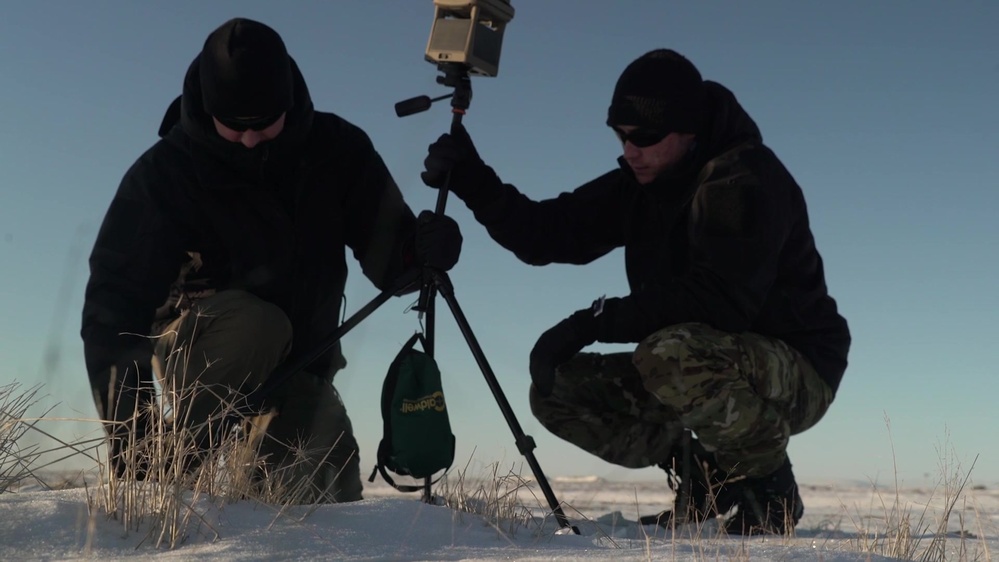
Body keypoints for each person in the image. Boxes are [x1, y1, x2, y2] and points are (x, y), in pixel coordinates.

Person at [420, 49, 850, 534]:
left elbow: (720, 300)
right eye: (621, 136)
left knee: (670, 354)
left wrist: (589, 323)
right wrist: (475, 180)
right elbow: (546, 233)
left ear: (688, 129)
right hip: (703, 362)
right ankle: (703, 475)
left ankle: (770, 488)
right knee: (556, 389)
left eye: (644, 137)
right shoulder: (644, 182)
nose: (630, 151)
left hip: (799, 370)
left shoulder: (745, 177)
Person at [81, 17, 463, 503]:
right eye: (234, 126)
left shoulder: (338, 150)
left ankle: (257, 488)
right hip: (200, 352)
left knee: (326, 499)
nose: (249, 138)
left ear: (287, 102)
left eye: (262, 124)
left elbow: (394, 261)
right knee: (258, 326)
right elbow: (113, 308)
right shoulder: (165, 175)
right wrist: (134, 446)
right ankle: (173, 472)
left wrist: (424, 249)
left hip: (298, 366)